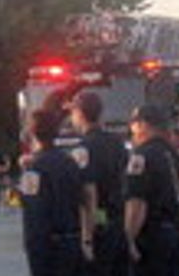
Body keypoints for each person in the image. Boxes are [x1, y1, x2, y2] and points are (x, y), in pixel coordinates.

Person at [18, 109, 87, 276]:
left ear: (32, 133)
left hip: (47, 246)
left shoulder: (35, 168)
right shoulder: (70, 162)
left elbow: (32, 211)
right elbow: (82, 198)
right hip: (72, 240)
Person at [70, 91, 129, 276]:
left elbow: (89, 192)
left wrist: (87, 237)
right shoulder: (117, 143)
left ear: (80, 113)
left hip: (100, 225)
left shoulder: (83, 148)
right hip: (120, 222)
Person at [124, 104, 179, 276]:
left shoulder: (141, 156)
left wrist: (128, 239)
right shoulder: (172, 154)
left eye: (134, 123)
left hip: (152, 238)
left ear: (144, 125)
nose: (132, 128)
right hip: (174, 232)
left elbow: (137, 202)